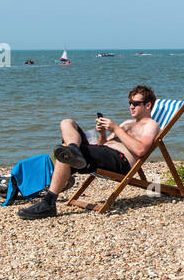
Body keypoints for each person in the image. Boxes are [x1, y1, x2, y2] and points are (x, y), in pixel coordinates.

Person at [17, 84, 161, 219]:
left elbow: (141, 150)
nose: (131, 106)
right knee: (67, 122)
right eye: (130, 102)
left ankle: (48, 202)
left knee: (65, 152)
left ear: (148, 105)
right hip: (103, 153)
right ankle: (74, 149)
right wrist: (103, 133)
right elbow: (103, 144)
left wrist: (116, 128)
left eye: (135, 103)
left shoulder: (151, 125)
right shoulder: (126, 123)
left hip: (119, 161)